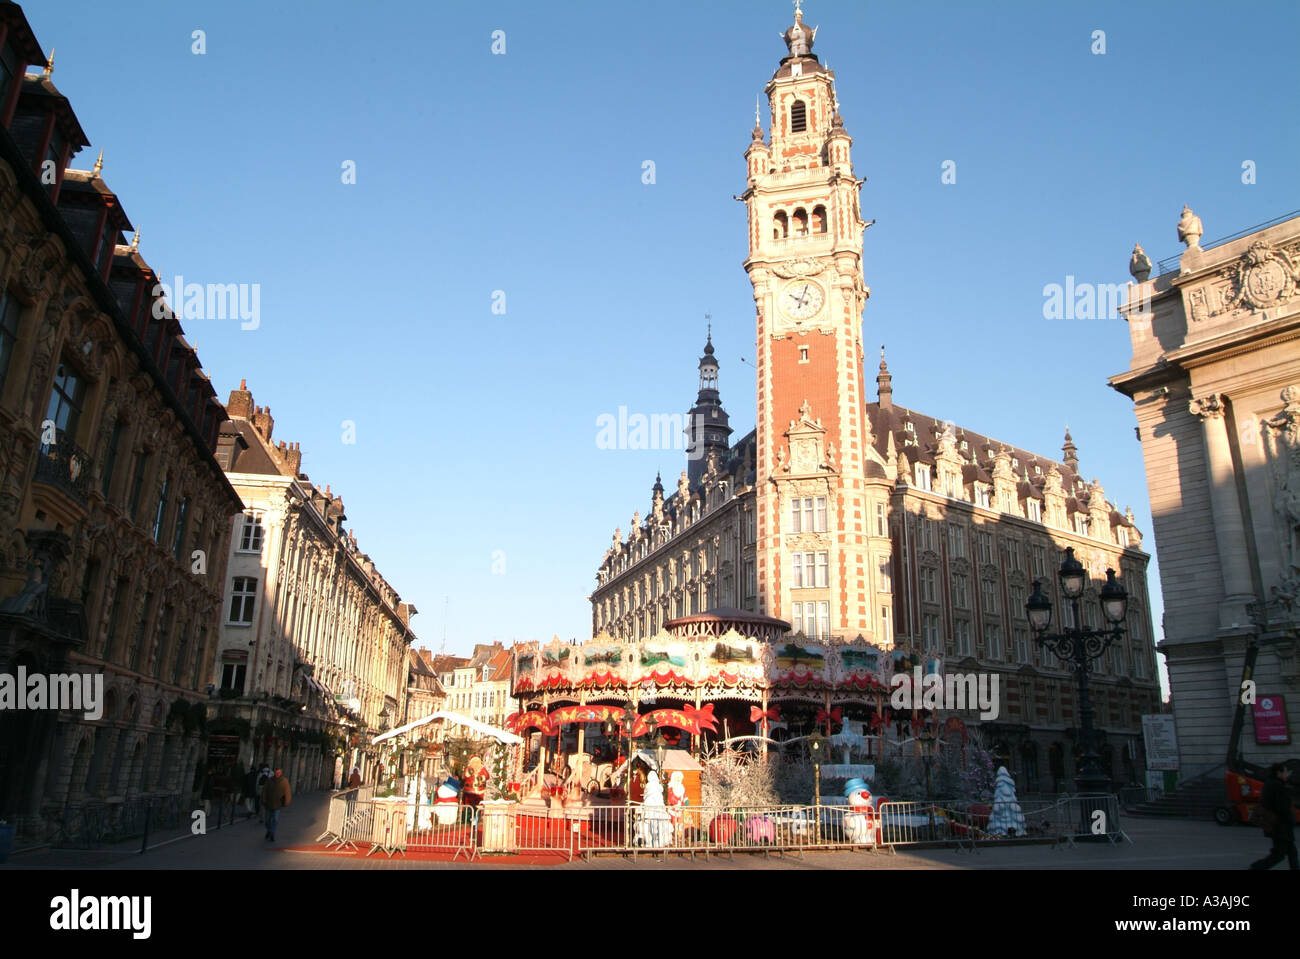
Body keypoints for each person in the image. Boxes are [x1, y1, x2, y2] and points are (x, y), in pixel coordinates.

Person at [1250, 763, 1297, 870]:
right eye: (1285, 772)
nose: (1287, 775)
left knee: (1292, 852)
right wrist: (1290, 819)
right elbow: (1283, 807)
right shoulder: (1278, 786)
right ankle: (1256, 867)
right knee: (1279, 854)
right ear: (1279, 773)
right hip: (1280, 826)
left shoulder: (1270, 783)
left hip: (1279, 825)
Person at [261, 768, 292, 843]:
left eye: (279, 772)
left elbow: (287, 792)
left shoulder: (284, 781)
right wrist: (263, 800)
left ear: (281, 773)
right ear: (274, 773)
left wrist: (286, 802)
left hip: (278, 804)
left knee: (275, 819)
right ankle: (269, 830)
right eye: (277, 772)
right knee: (267, 820)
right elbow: (264, 790)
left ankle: (272, 833)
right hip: (268, 803)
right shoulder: (269, 780)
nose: (278, 774)